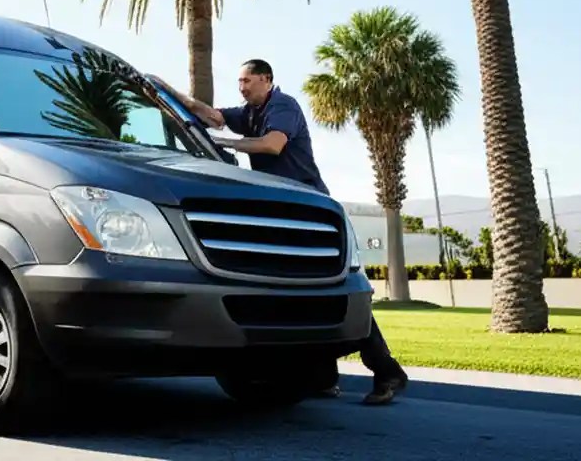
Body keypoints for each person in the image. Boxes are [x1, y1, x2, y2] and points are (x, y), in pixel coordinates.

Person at [155, 58, 409, 405]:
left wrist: (225, 144)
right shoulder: (250, 113)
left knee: (331, 292)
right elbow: (211, 115)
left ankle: (386, 371)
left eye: (247, 81)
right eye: (239, 82)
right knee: (299, 291)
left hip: (308, 211)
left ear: (266, 79)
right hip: (279, 209)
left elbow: (272, 145)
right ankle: (323, 377)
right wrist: (166, 90)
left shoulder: (283, 106)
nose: (242, 87)